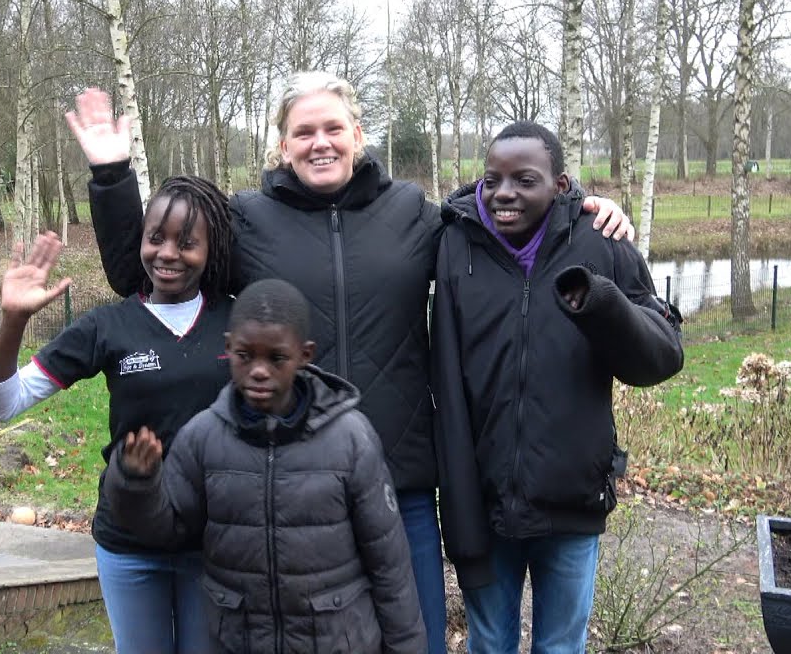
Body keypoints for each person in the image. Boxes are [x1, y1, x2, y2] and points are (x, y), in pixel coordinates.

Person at [66, 73, 634, 654]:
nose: (321, 142)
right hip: (292, 495)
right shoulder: (246, 222)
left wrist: (580, 206)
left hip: (402, 487)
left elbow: (503, 212)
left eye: (333, 128)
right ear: (282, 146)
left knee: (416, 642)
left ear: (357, 135)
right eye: (303, 132)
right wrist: (111, 176)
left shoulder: (411, 212)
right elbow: (145, 272)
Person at [430, 121, 684, 654]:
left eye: (525, 180)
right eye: (493, 179)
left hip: (572, 502)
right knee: (489, 643)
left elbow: (661, 355)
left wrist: (603, 305)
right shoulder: (456, 241)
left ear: (560, 185)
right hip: (485, 504)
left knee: (562, 647)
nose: (504, 193)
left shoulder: (600, 239)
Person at [0, 175, 236, 654]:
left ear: (211, 249)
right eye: (155, 238)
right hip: (129, 543)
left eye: (186, 243)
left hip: (213, 544)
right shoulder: (107, 326)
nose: (167, 254)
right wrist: (13, 320)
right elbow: (0, 404)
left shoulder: (237, 323)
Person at [105, 278, 427, 654]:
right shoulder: (204, 437)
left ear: (304, 355)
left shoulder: (351, 439)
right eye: (246, 356)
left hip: (336, 641)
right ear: (228, 349)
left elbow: (390, 565)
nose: (259, 371)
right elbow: (168, 526)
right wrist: (136, 482)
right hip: (239, 640)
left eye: (276, 358)